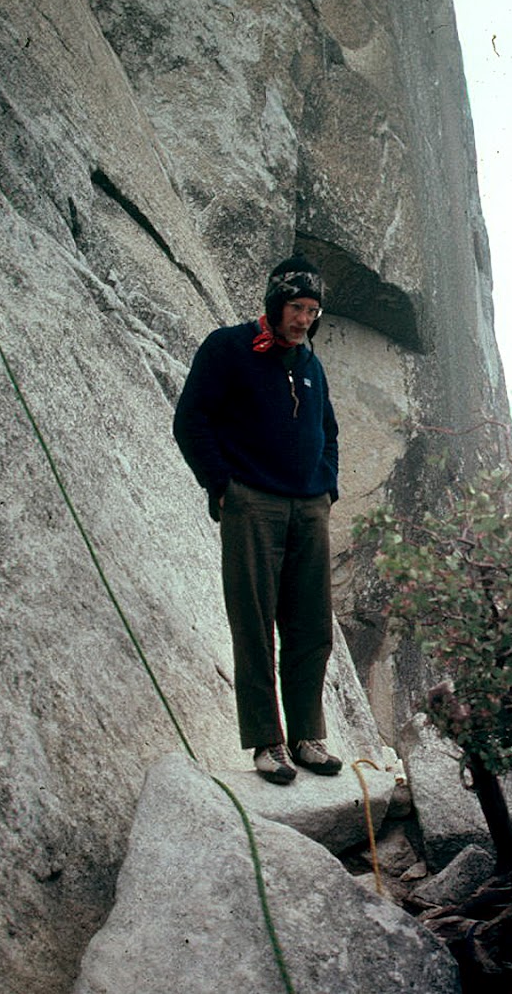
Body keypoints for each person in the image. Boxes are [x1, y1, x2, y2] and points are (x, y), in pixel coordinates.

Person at [172, 255, 343, 784]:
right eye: (297, 307)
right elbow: (191, 419)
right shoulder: (228, 348)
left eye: (312, 310)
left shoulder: (311, 366)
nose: (304, 320)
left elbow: (329, 433)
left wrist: (327, 485)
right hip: (252, 504)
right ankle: (268, 743)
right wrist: (221, 485)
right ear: (276, 302)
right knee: (254, 625)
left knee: (311, 626)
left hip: (309, 508)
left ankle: (307, 735)